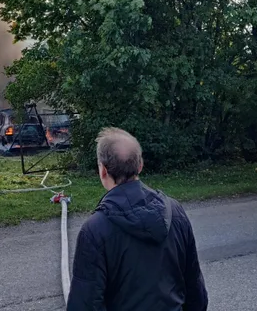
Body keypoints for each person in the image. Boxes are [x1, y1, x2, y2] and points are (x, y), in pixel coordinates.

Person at [67, 127, 208, 311]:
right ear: (140, 165)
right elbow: (196, 292)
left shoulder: (94, 231)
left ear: (102, 170)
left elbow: (84, 305)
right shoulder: (176, 212)